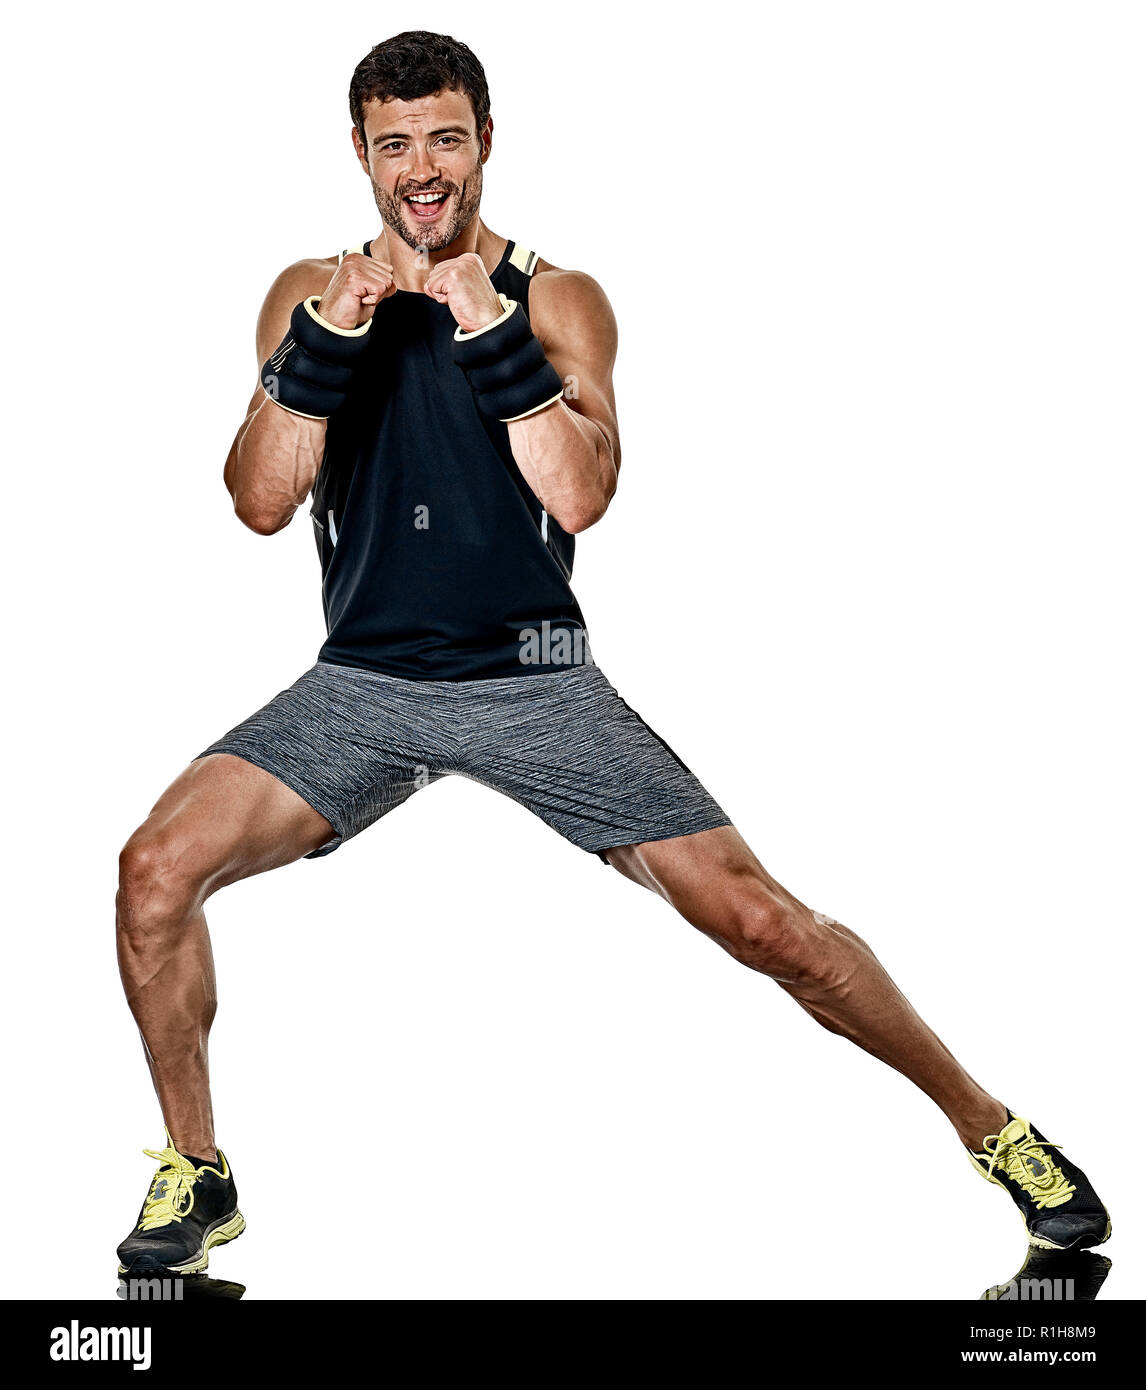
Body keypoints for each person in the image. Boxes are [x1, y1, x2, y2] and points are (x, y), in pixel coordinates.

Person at [116, 30, 1110, 1277]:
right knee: (153, 872)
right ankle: (196, 1173)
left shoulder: (559, 296)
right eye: (395, 145)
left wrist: (488, 328)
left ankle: (999, 1133)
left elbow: (580, 495)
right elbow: (261, 500)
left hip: (535, 676)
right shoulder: (307, 294)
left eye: (446, 138)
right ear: (359, 156)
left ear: (485, 139)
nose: (423, 170)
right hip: (363, 683)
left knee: (766, 925)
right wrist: (324, 341)